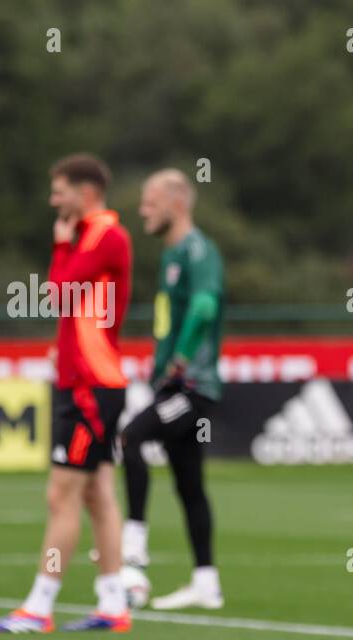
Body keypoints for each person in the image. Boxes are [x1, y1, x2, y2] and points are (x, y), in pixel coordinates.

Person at [0, 153, 133, 633]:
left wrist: (59, 245)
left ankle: (39, 605)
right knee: (96, 494)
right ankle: (113, 604)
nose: (53, 201)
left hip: (90, 388)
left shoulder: (104, 234)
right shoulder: (96, 236)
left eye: (60, 191)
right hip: (90, 382)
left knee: (61, 494)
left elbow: (58, 292)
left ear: (85, 192)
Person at [119, 169, 225, 610]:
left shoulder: (199, 251)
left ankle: (133, 547)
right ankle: (206, 582)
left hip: (193, 386)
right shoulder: (172, 255)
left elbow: (203, 306)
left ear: (177, 203)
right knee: (189, 484)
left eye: (150, 202)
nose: (142, 210)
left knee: (132, 437)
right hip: (174, 384)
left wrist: (180, 357)